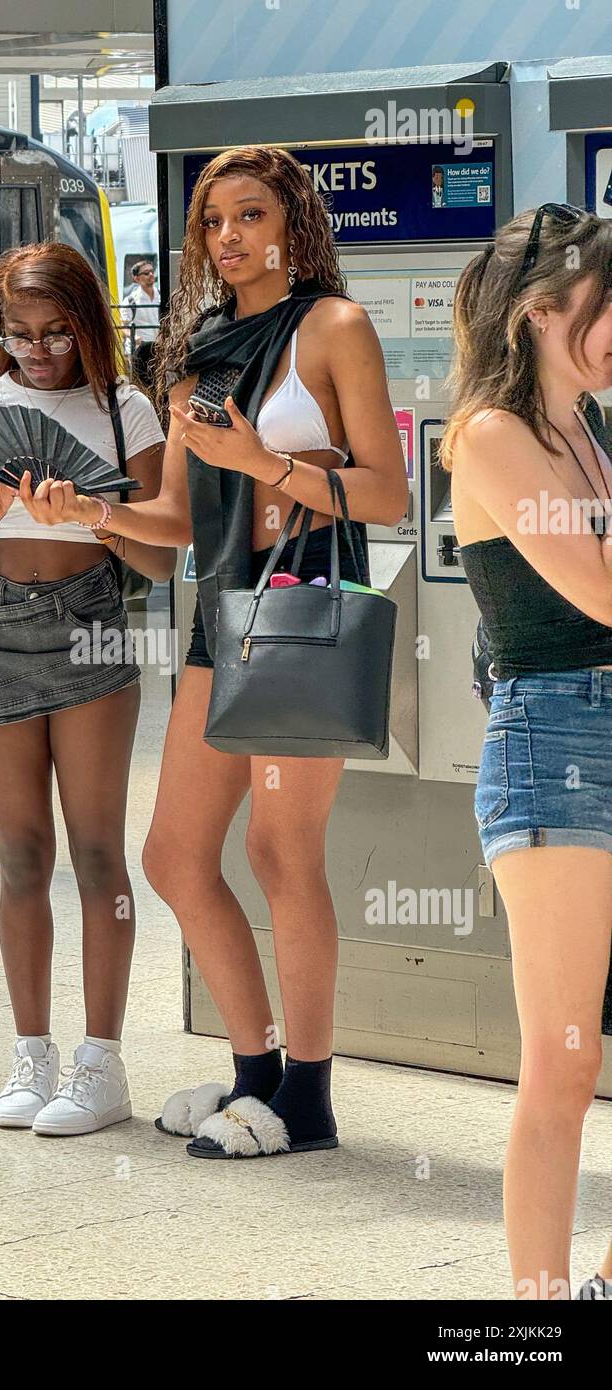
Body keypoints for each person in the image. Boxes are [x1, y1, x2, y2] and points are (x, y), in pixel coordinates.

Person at [27, 145, 407, 1158]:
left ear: (294, 224)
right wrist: (85, 512)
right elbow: (185, 521)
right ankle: (257, 1073)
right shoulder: (199, 346)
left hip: (305, 608)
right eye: (213, 222)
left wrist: (266, 458)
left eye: (250, 215)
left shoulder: (336, 328)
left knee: (282, 852)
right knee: (174, 854)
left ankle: (312, 1102)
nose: (230, 236)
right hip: (221, 614)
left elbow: (386, 493)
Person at [0, 242, 173, 1134]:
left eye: (57, 334)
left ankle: (100, 1065)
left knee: (98, 854)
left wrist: (97, 516)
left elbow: (160, 552)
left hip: (92, 627)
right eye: (17, 332)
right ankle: (31, 1054)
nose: (36, 351)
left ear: (87, 327)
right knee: (21, 855)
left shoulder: (125, 412)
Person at [444, 203, 612, 1299]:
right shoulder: (492, 435)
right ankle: (536, 1310)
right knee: (563, 1058)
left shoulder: (590, 429)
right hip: (555, 741)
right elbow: (601, 591)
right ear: (545, 312)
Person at [122, 261, 159, 389]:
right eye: (146, 273)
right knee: (141, 387)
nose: (151, 275)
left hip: (157, 349)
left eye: (152, 271)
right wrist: (135, 337)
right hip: (139, 352)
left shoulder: (161, 296)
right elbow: (124, 327)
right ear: (136, 278)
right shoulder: (130, 301)